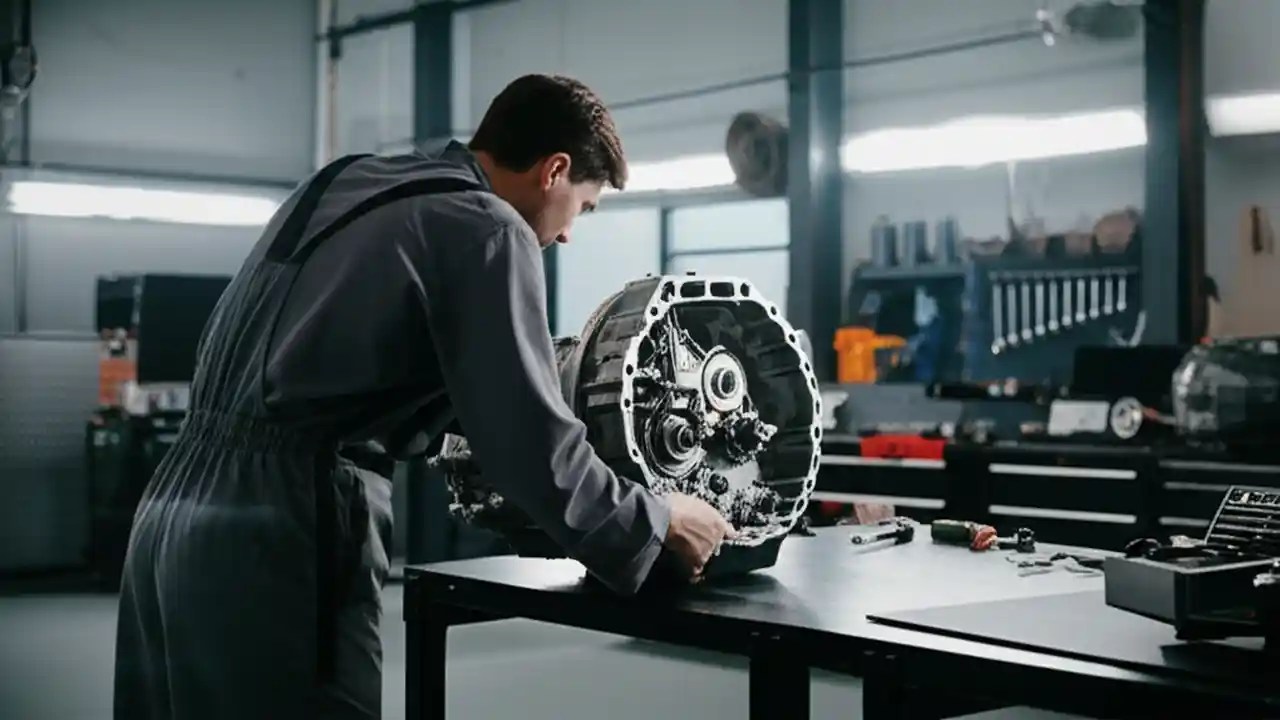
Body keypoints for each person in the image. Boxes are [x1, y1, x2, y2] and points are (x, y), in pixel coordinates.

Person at [113, 74, 735, 720]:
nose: (571, 232)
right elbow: (530, 448)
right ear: (554, 170)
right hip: (281, 528)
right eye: (583, 206)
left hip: (168, 511)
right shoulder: (490, 229)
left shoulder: (343, 180)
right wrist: (655, 522)